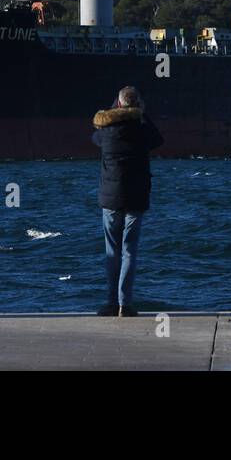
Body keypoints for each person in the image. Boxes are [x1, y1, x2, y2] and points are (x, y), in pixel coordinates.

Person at [91, 85, 164, 316]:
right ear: (137, 106)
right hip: (135, 197)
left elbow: (94, 136)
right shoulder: (142, 131)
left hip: (110, 198)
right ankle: (126, 304)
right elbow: (158, 139)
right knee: (129, 251)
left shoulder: (105, 133)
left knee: (112, 252)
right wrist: (142, 113)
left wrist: (116, 110)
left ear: (119, 104)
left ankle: (111, 303)